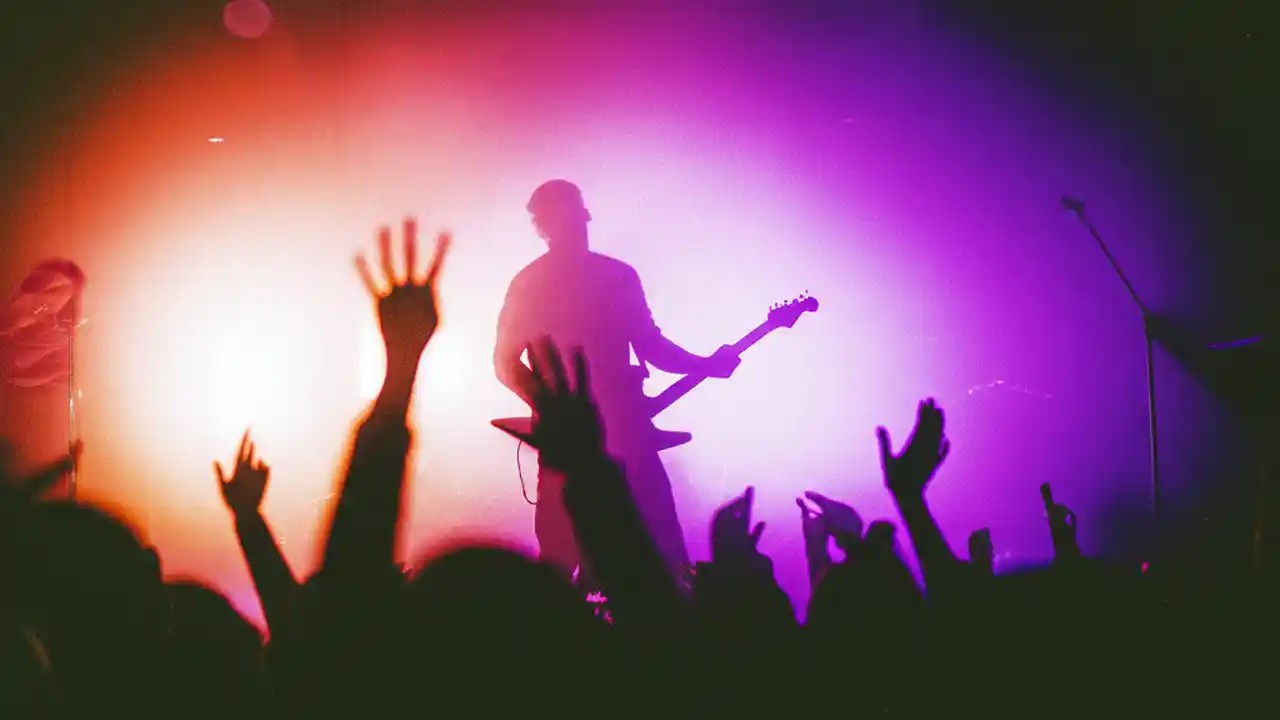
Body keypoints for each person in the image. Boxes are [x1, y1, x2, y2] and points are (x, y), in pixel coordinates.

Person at [494, 179, 739, 585]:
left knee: (584, 553)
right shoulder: (596, 277)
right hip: (612, 435)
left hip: (594, 436)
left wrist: (554, 409)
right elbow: (504, 363)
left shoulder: (561, 280)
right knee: (652, 546)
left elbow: (506, 363)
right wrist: (554, 408)